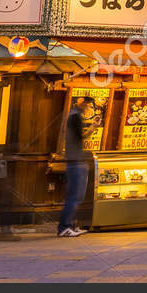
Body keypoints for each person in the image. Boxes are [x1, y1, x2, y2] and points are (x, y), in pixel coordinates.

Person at [58, 100, 90, 237]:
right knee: (74, 197)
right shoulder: (75, 116)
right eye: (88, 104)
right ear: (81, 103)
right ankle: (64, 227)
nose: (88, 108)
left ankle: (70, 225)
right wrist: (92, 128)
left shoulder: (74, 115)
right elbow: (80, 137)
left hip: (76, 161)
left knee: (76, 197)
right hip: (75, 162)